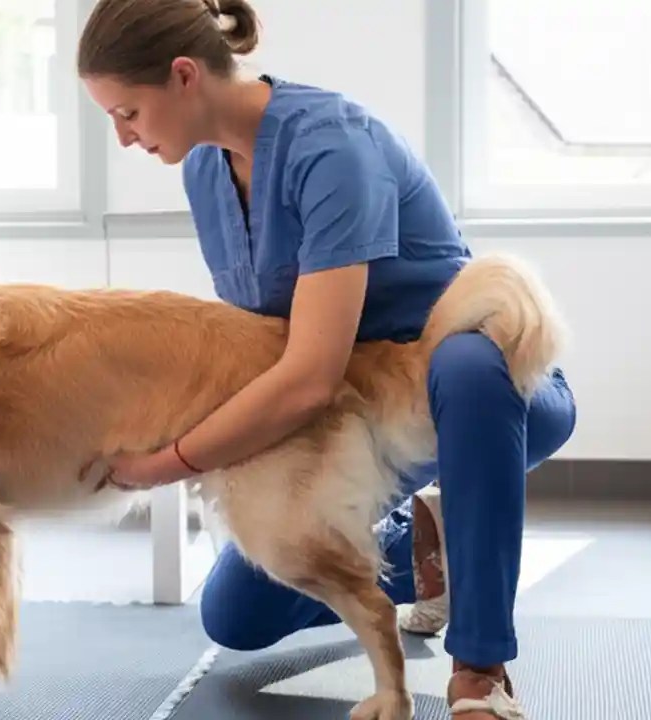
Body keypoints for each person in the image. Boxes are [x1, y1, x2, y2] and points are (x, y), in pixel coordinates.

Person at [76, 0, 577, 717]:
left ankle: (480, 670)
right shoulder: (204, 174)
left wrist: (166, 465)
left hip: (482, 390)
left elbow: (308, 376)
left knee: (466, 370)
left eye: (127, 113)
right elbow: (260, 346)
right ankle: (425, 550)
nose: (124, 138)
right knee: (236, 617)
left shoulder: (329, 146)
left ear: (183, 76)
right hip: (360, 417)